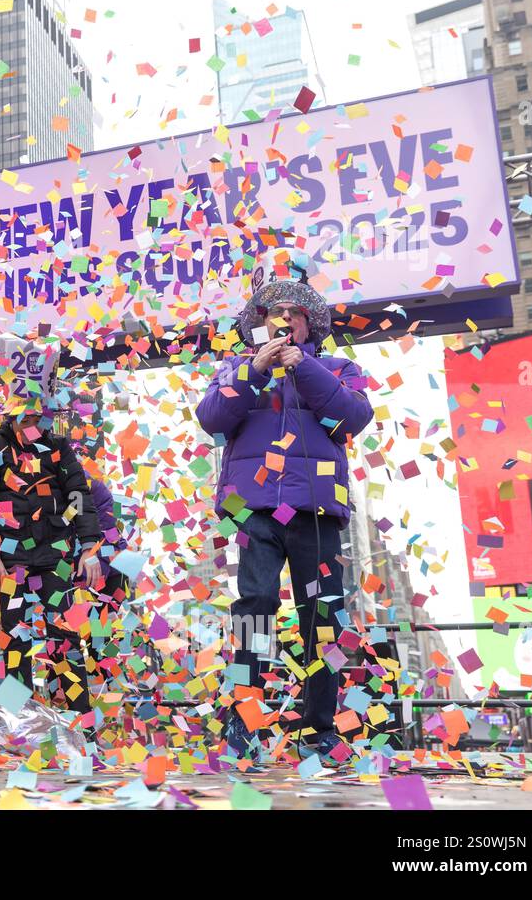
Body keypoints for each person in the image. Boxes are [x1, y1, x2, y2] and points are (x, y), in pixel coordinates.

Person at [195, 276, 374, 766]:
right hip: (255, 510)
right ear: (258, 321)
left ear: (308, 322)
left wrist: (306, 369)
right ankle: (245, 721)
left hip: (316, 510)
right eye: (272, 311)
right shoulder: (236, 368)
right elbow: (210, 419)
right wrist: (255, 370)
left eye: (293, 312)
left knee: (324, 618)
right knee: (254, 604)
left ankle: (319, 728)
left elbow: (353, 418)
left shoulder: (337, 367)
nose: (283, 318)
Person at [0, 335, 104, 719]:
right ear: (9, 414)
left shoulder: (58, 446)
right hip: (11, 562)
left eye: (35, 416)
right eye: (23, 416)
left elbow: (80, 496)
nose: (30, 423)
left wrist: (90, 548)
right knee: (14, 639)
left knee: (66, 634)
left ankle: (80, 716)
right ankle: (18, 719)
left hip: (55, 555)